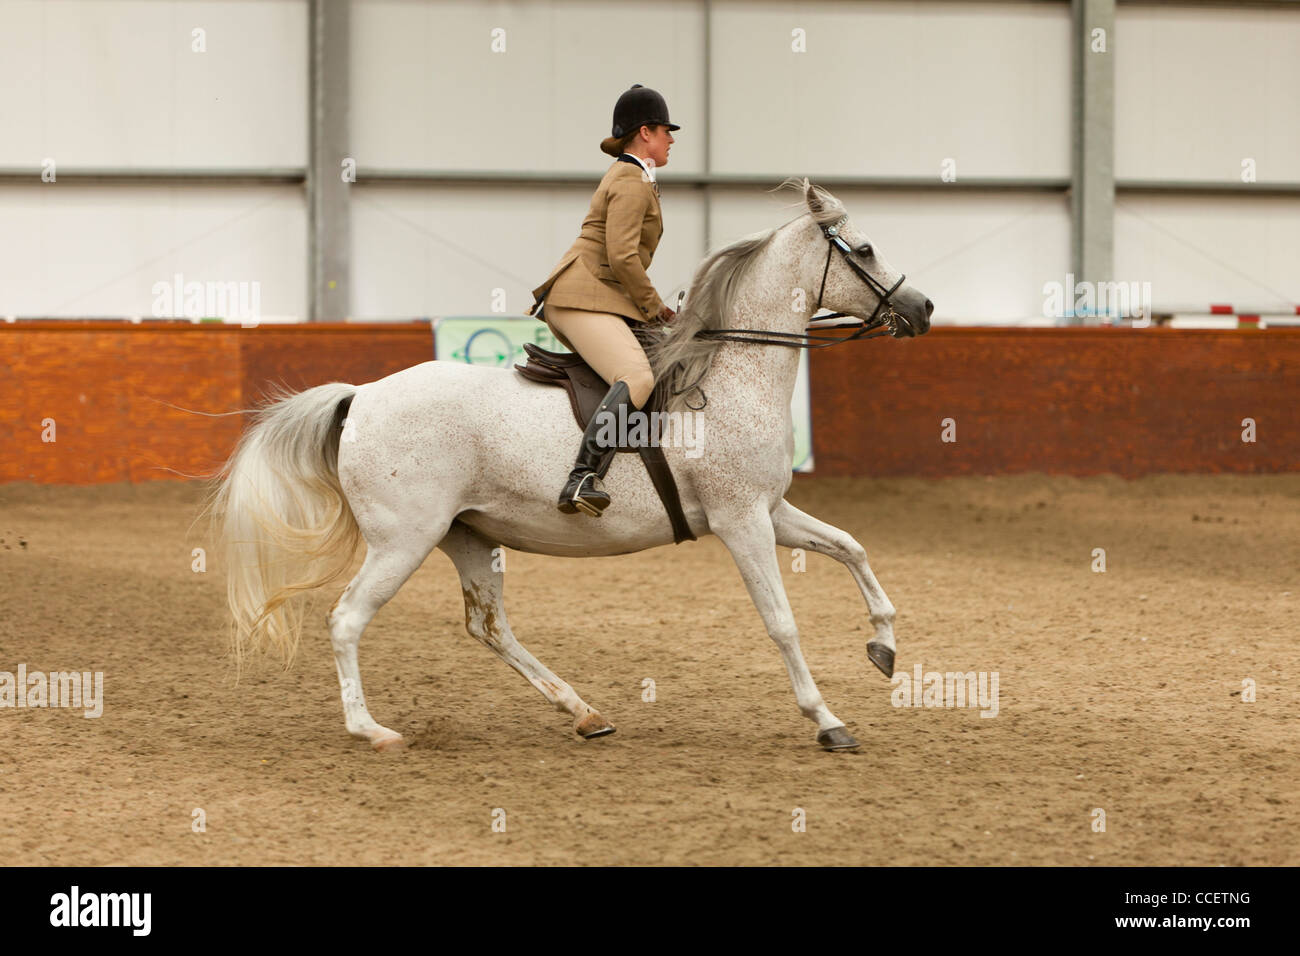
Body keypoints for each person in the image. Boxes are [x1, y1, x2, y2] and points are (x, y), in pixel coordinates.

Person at [528, 84, 680, 518]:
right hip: (581, 297)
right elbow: (623, 257)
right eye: (666, 131)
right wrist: (659, 309)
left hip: (597, 295)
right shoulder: (632, 180)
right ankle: (581, 476)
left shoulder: (636, 177)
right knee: (636, 378)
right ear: (646, 132)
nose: (671, 139)